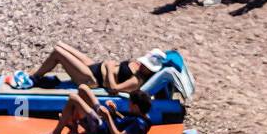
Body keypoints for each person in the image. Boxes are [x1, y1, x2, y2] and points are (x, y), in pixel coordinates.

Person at [28, 44, 168, 94]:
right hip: (95, 67)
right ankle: (38, 73)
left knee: (58, 52)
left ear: (151, 70)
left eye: (146, 66)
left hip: (92, 79)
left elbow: (113, 89)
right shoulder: (138, 66)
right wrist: (109, 65)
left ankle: (34, 78)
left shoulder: (136, 81)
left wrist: (109, 68)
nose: (142, 65)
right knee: (61, 45)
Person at [45, 87, 153, 134]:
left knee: (73, 98)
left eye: (130, 103)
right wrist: (114, 112)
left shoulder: (138, 124)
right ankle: (73, 124)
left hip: (99, 132)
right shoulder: (142, 116)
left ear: (136, 107)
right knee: (83, 88)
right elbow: (125, 123)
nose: (128, 105)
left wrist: (108, 117)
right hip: (103, 122)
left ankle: (56, 133)